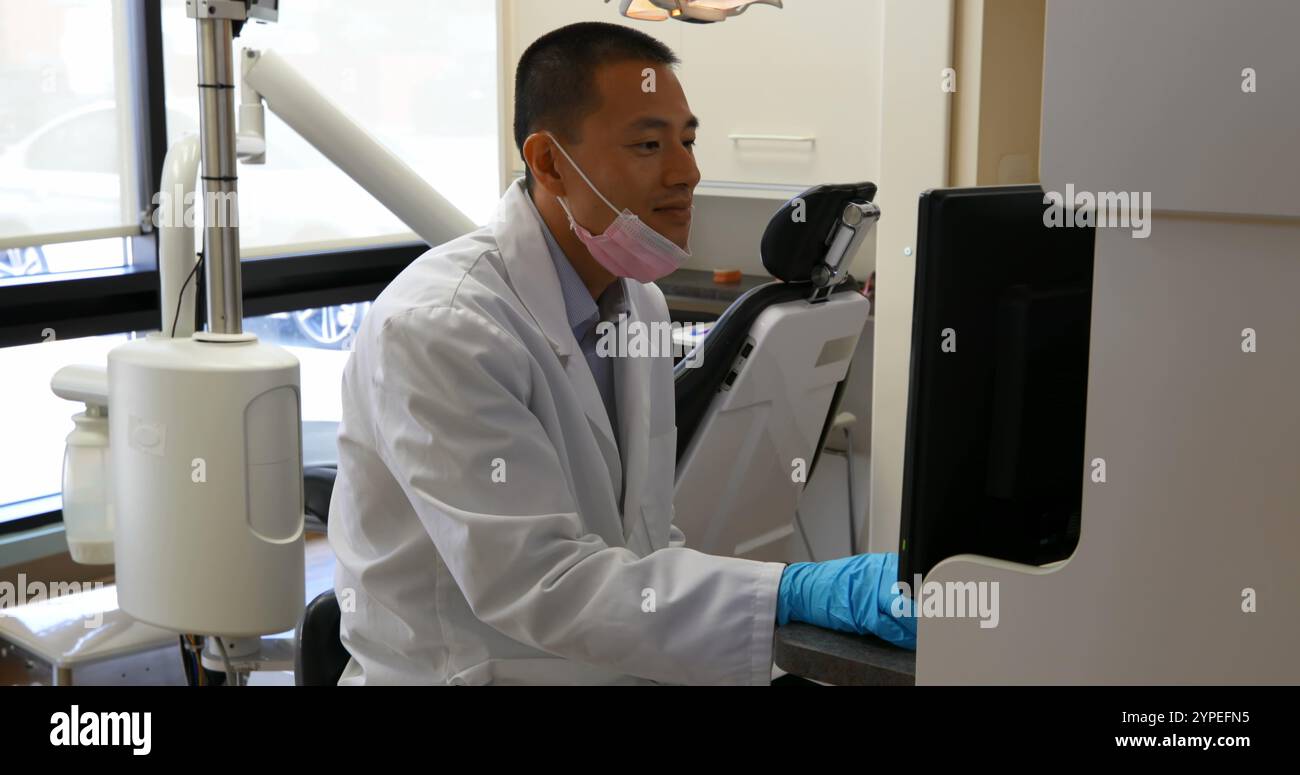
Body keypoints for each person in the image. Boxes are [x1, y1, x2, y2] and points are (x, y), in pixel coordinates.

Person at [329, 21, 915, 686]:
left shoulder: (636, 303)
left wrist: (768, 604)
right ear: (549, 161)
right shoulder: (441, 328)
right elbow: (541, 581)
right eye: (648, 144)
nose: (687, 173)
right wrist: (788, 592)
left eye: (688, 141)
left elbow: (642, 537)